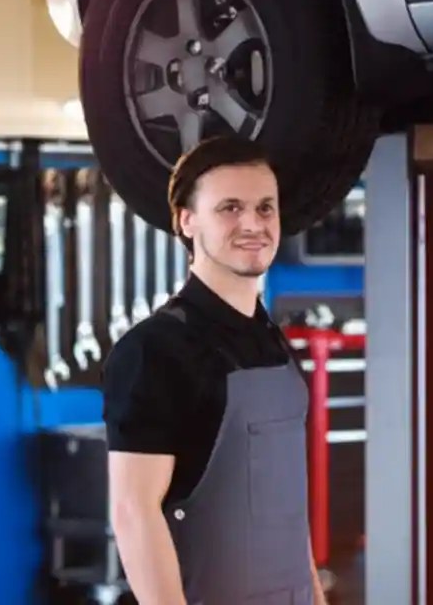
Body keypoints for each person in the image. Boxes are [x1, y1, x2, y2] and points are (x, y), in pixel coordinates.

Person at [102, 136, 324, 605]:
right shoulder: (156, 349)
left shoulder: (273, 341)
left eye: (266, 208)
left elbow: (286, 511)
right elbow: (133, 511)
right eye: (230, 207)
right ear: (187, 220)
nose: (253, 223)